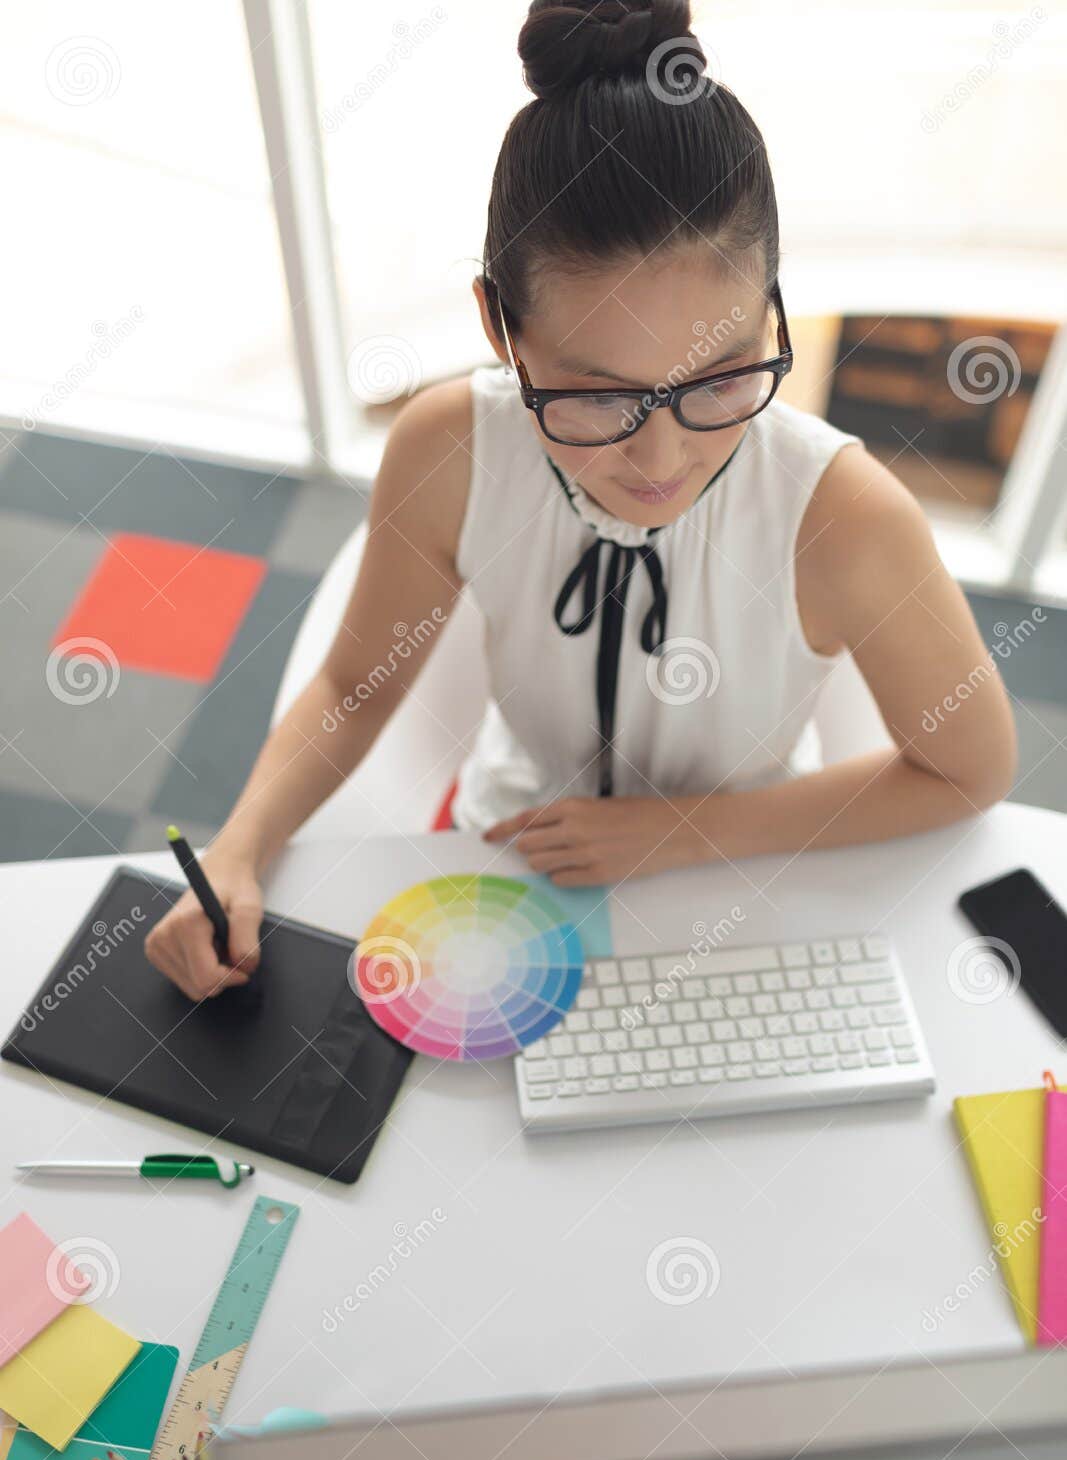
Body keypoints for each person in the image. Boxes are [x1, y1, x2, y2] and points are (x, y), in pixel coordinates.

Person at [145, 0, 1015, 1002]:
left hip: (753, 880)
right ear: (496, 326)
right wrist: (239, 849)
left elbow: (967, 768)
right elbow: (353, 688)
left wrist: (674, 832)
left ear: (772, 306)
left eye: (719, 378)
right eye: (597, 395)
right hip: (511, 854)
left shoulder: (840, 513)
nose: (661, 455)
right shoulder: (449, 449)